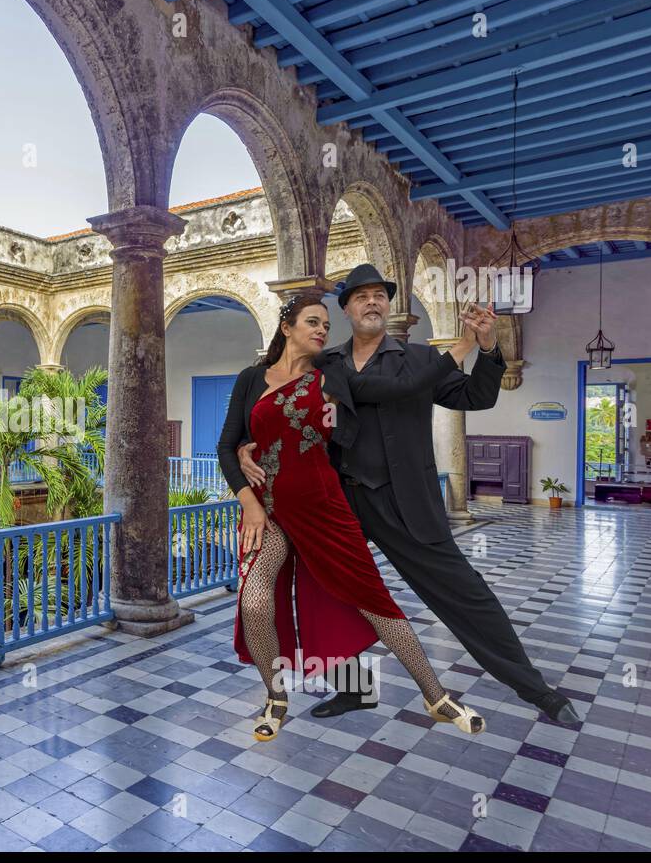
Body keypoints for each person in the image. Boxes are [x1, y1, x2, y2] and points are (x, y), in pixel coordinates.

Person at [235, 264, 579, 726]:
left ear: (390, 306)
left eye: (380, 295)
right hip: (337, 501)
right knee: (328, 595)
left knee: (465, 593)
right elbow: (276, 410)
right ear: (347, 310)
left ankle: (536, 689)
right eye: (361, 297)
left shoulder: (418, 359)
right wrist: (243, 445)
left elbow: (476, 398)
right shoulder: (326, 364)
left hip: (406, 502)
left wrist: (488, 346)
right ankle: (356, 691)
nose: (371, 302)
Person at [217, 292, 486, 741]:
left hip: (324, 509)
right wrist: (247, 499)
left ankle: (435, 695)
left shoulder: (332, 376)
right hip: (269, 510)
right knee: (255, 600)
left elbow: (400, 388)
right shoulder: (251, 379)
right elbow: (228, 445)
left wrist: (463, 345)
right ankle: (275, 697)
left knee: (375, 600)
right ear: (287, 328)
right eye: (312, 322)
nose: (323, 330)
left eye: (326, 324)